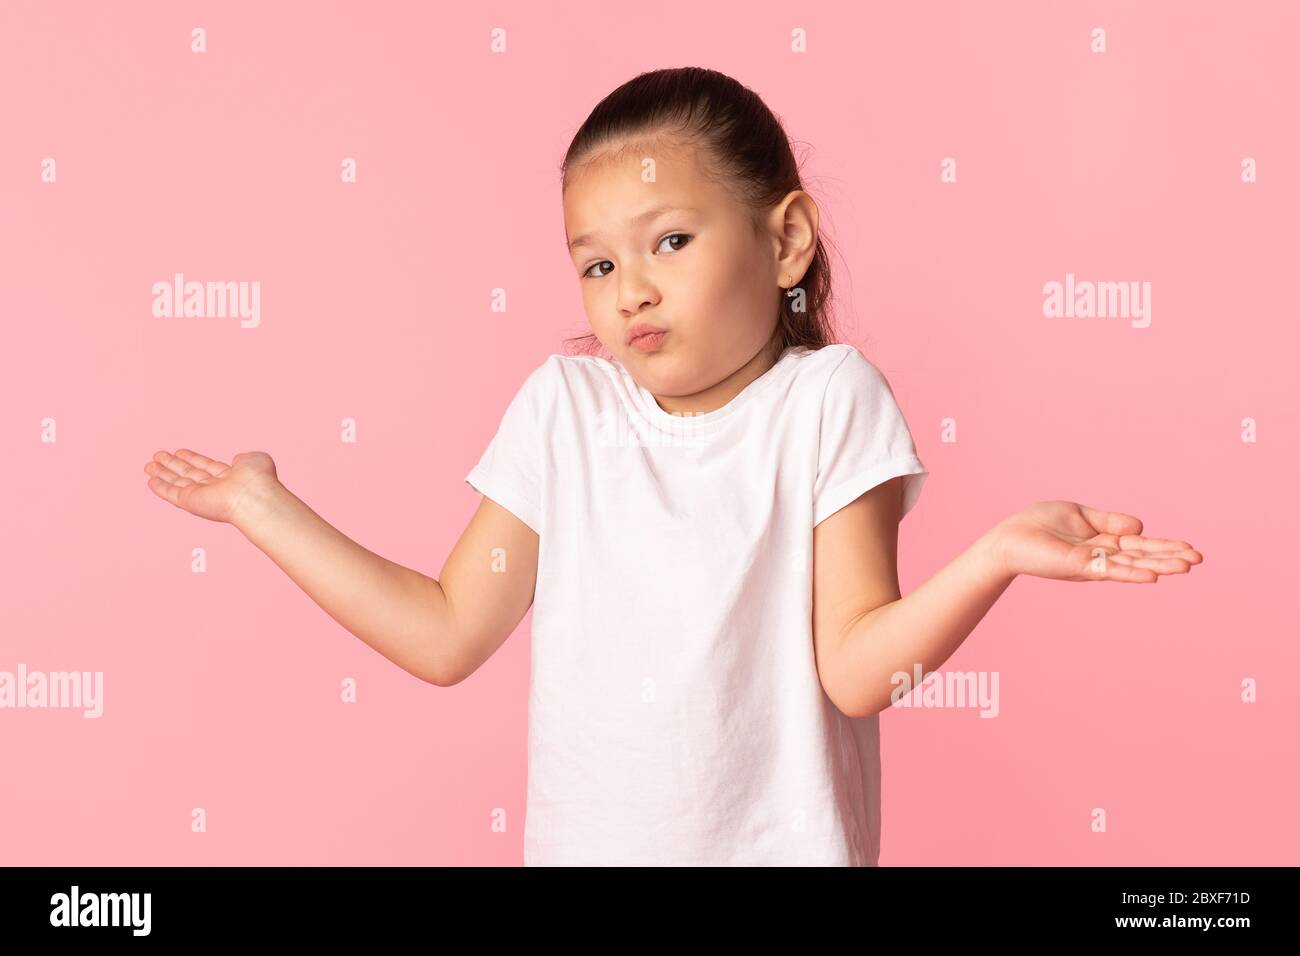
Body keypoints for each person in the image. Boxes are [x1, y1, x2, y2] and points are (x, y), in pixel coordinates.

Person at [142, 67, 1203, 866]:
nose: (630, 291)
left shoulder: (827, 403)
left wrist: (995, 555)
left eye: (671, 242)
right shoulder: (565, 412)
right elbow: (446, 632)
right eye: (598, 263)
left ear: (786, 242)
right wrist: (261, 507)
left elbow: (854, 671)